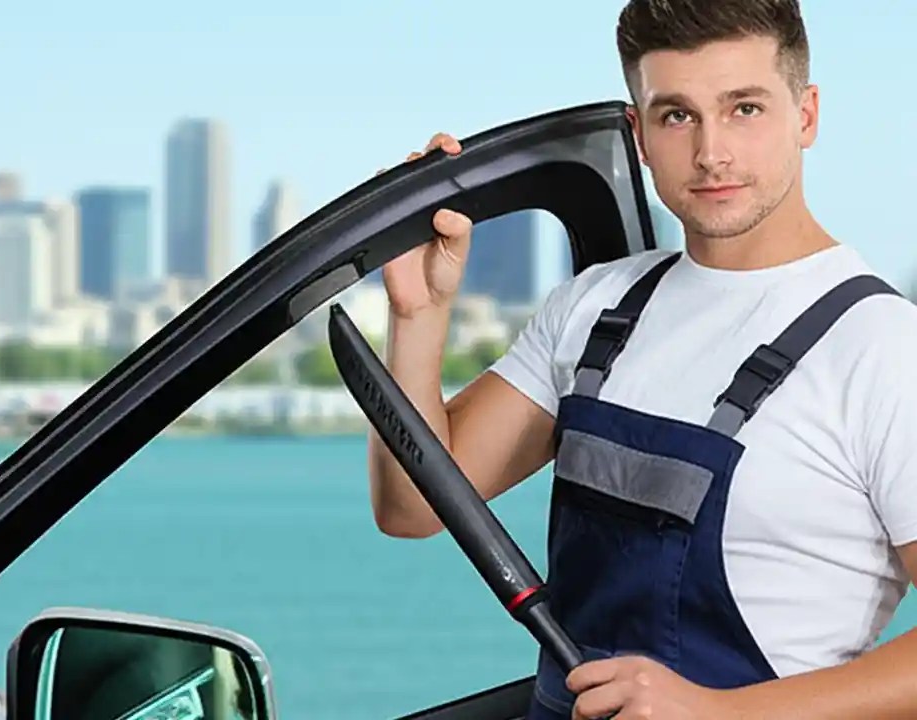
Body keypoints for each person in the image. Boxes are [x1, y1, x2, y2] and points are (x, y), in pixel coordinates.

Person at [368, 1, 917, 718]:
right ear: (641, 134)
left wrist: (720, 713)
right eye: (677, 115)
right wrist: (418, 314)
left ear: (806, 115)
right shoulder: (595, 307)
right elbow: (411, 507)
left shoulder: (883, 349)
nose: (712, 153)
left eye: (745, 109)